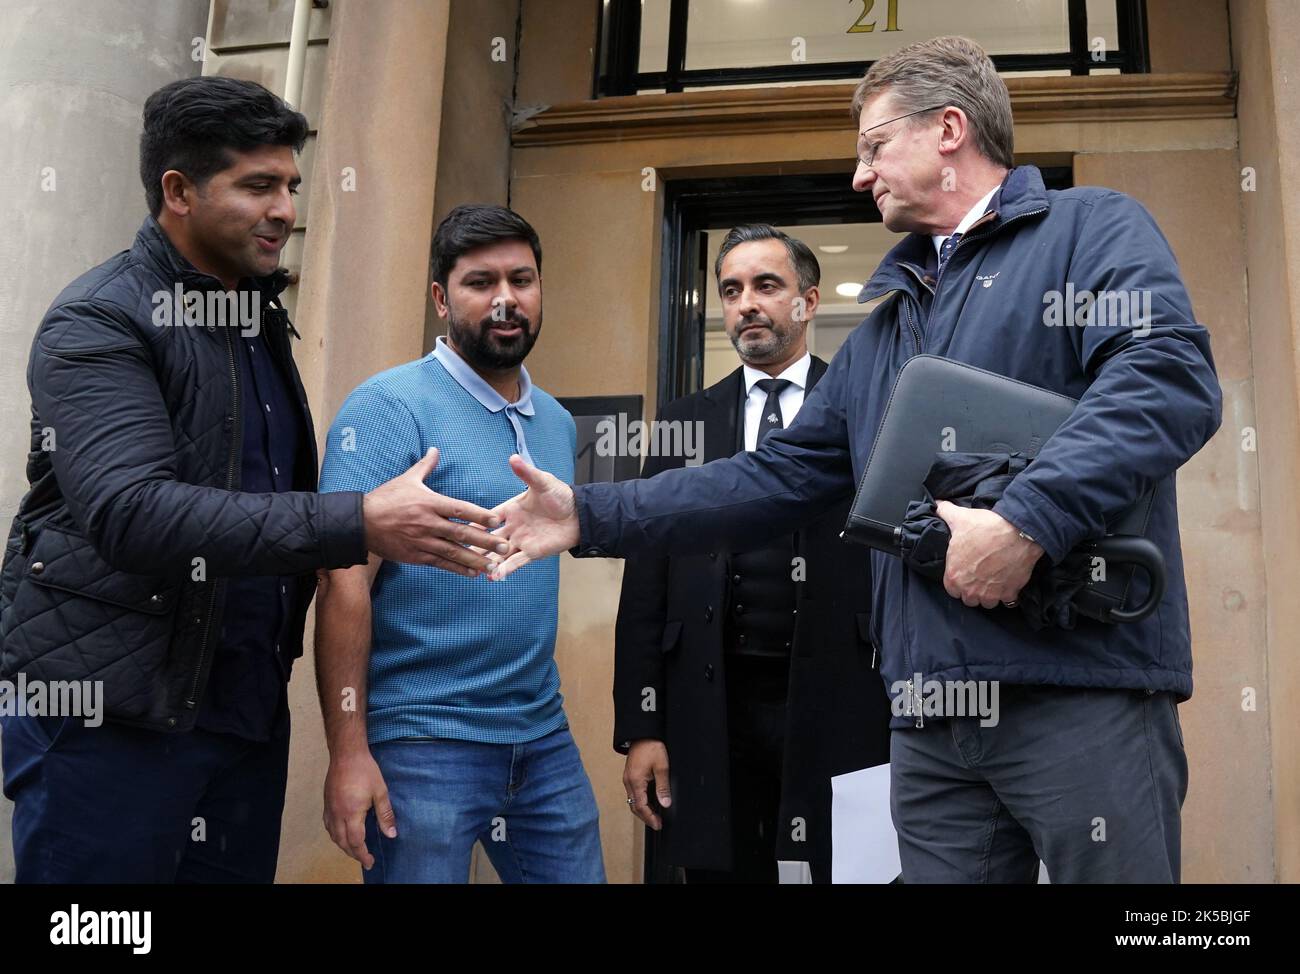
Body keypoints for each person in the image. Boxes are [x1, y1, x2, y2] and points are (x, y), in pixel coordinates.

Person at [485, 37, 1222, 884]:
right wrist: (588, 513)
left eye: (874, 147)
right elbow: (772, 478)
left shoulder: (1092, 229)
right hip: (928, 725)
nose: (859, 176)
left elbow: (1165, 379)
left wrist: (1028, 520)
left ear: (950, 129)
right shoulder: (879, 334)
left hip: (1080, 697)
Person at [0, 77, 505, 884]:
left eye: (292, 187)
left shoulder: (254, 316)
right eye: (258, 186)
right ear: (178, 191)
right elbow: (132, 513)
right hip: (108, 724)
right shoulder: (98, 319)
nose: (285, 209)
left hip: (237, 718)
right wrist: (358, 520)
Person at [315, 204, 604, 884]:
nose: (507, 299)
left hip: (540, 736)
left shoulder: (557, 422)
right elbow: (342, 581)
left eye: (522, 279)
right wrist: (349, 752)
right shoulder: (387, 405)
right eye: (481, 282)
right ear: (442, 298)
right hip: (422, 740)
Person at [615, 224, 889, 883]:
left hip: (839, 694)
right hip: (710, 701)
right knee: (721, 871)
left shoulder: (863, 408)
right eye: (731, 290)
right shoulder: (686, 420)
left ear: (809, 301)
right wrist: (642, 726)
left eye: (767, 286)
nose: (746, 304)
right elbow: (645, 585)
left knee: (845, 870)